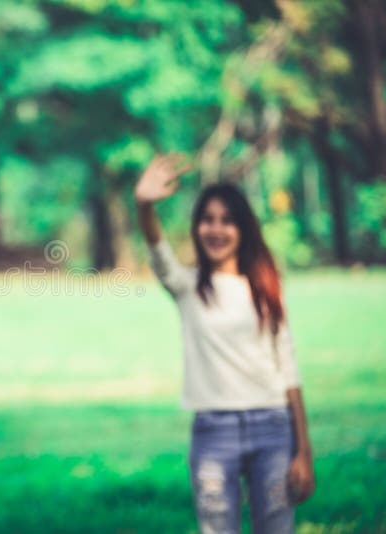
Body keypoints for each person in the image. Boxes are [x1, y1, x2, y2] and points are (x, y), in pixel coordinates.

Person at [134, 154, 315, 534]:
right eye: (207, 219)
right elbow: (158, 252)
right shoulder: (188, 286)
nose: (216, 229)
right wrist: (144, 205)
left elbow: (288, 369)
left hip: (273, 427)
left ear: (243, 229)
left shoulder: (266, 287)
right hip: (214, 432)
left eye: (227, 220)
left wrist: (304, 450)